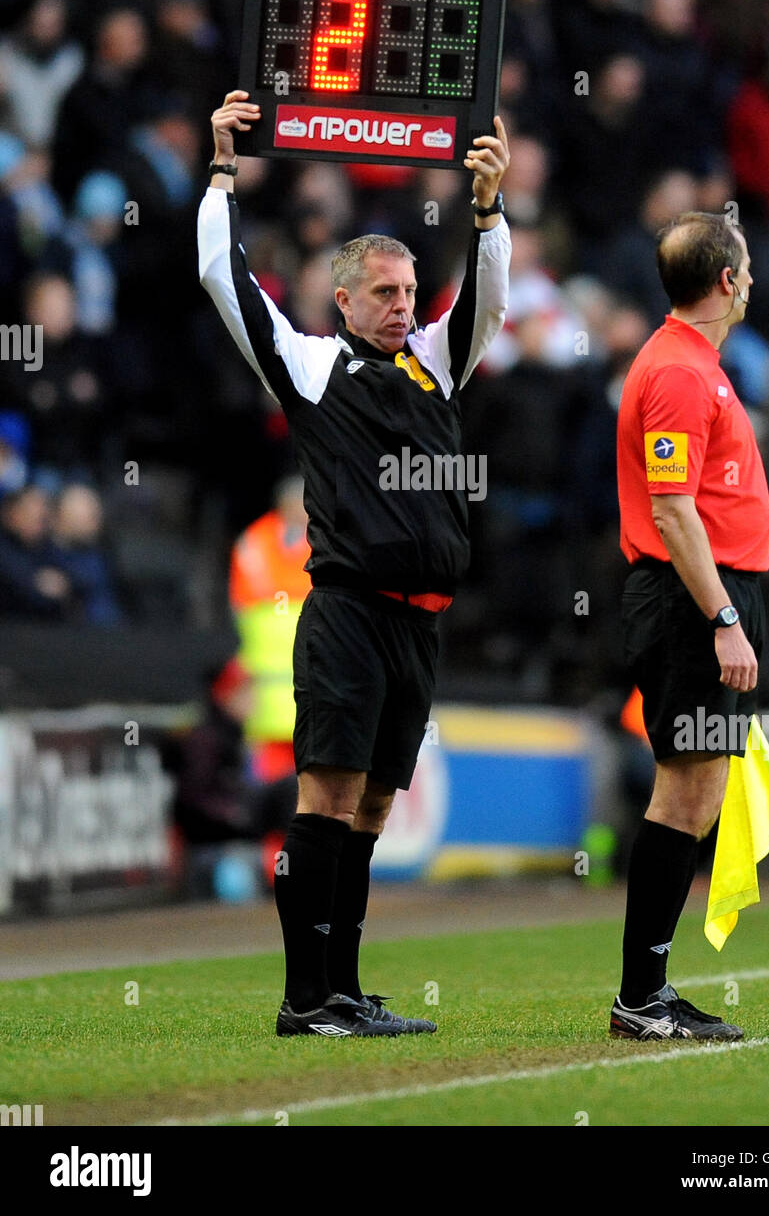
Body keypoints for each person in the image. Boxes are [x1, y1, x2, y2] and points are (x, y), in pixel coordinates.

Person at [198, 90, 510, 1037]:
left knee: (372, 807)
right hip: (346, 612)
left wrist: (488, 209)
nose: (402, 306)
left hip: (419, 622)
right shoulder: (308, 365)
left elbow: (486, 296)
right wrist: (222, 169)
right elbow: (222, 275)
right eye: (383, 292)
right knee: (327, 797)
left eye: (410, 293)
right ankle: (306, 997)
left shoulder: (435, 363)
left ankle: (342, 983)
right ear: (342, 301)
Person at [613, 211, 769, 1040]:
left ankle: (647, 991)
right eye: (743, 268)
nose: (751, 280)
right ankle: (642, 997)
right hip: (691, 602)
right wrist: (723, 616)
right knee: (685, 790)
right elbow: (674, 513)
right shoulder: (678, 372)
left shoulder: (693, 364)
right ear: (726, 281)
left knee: (696, 789)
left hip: (704, 598)